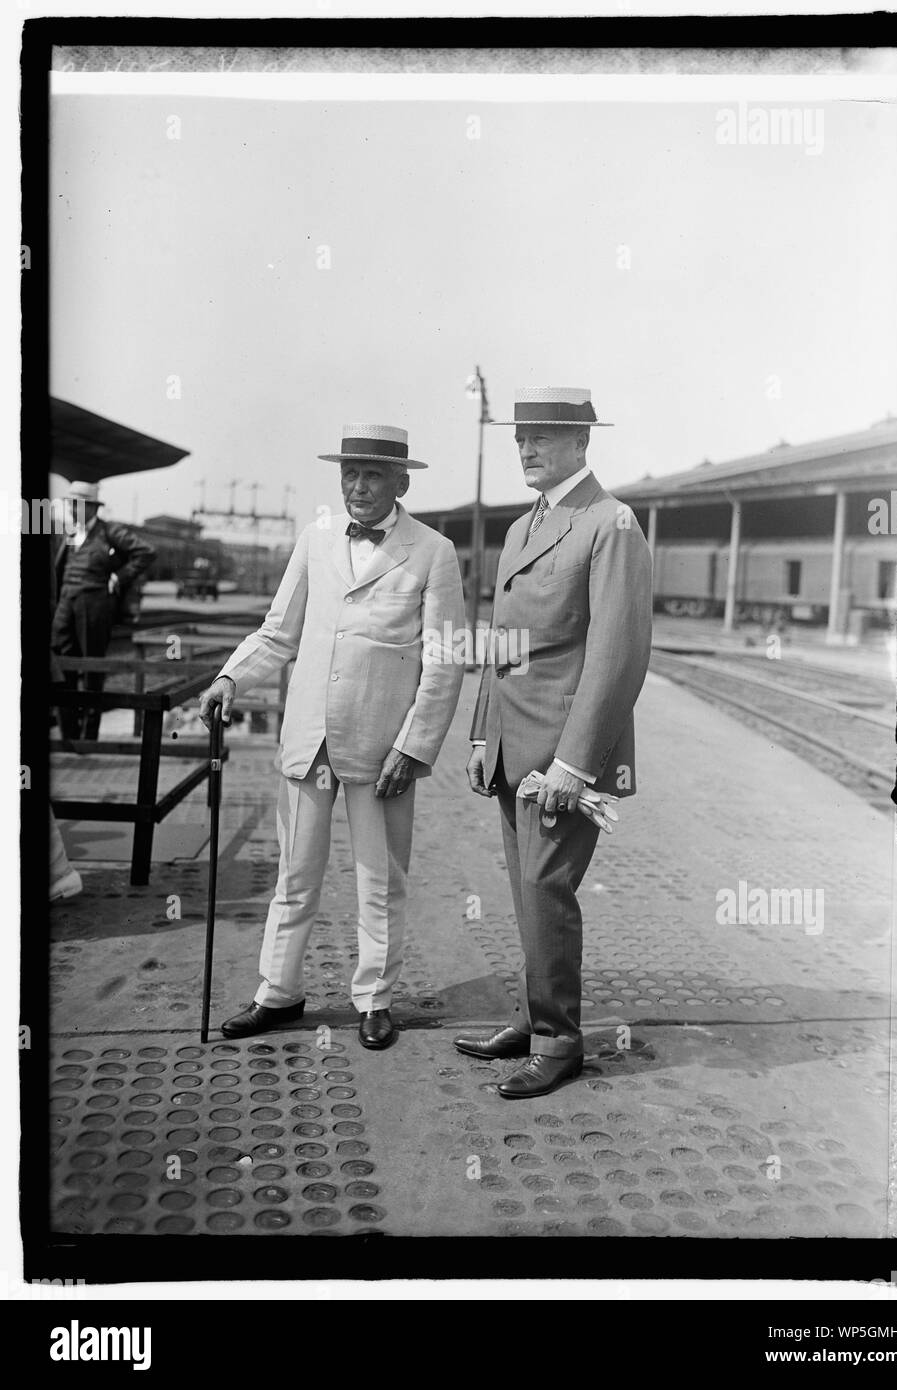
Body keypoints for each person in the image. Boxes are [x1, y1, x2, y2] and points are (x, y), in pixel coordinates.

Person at [199, 424, 465, 1050]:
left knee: (379, 879)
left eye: (373, 475)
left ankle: (374, 999)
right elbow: (277, 632)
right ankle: (278, 995)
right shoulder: (315, 540)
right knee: (295, 875)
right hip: (308, 740)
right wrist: (230, 677)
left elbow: (446, 658)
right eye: (350, 473)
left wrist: (415, 745)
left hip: (382, 751)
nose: (359, 486)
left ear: (403, 483)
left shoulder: (433, 551)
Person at [457, 387, 653, 1098]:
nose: (527, 448)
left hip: (563, 756)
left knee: (547, 887)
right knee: (526, 890)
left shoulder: (610, 524)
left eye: (543, 436)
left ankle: (561, 1041)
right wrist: (483, 729)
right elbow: (501, 641)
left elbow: (617, 653)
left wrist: (576, 763)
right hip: (513, 743)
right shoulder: (523, 528)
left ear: (581, 444)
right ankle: (536, 1018)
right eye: (519, 437)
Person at [51, 481, 155, 741]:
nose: (72, 510)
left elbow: (145, 551)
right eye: (69, 504)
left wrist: (119, 577)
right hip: (66, 606)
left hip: (95, 607)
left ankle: (88, 738)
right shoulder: (70, 534)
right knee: (62, 669)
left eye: (76, 505)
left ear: (91, 508)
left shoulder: (109, 532)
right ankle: (69, 736)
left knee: (93, 671)